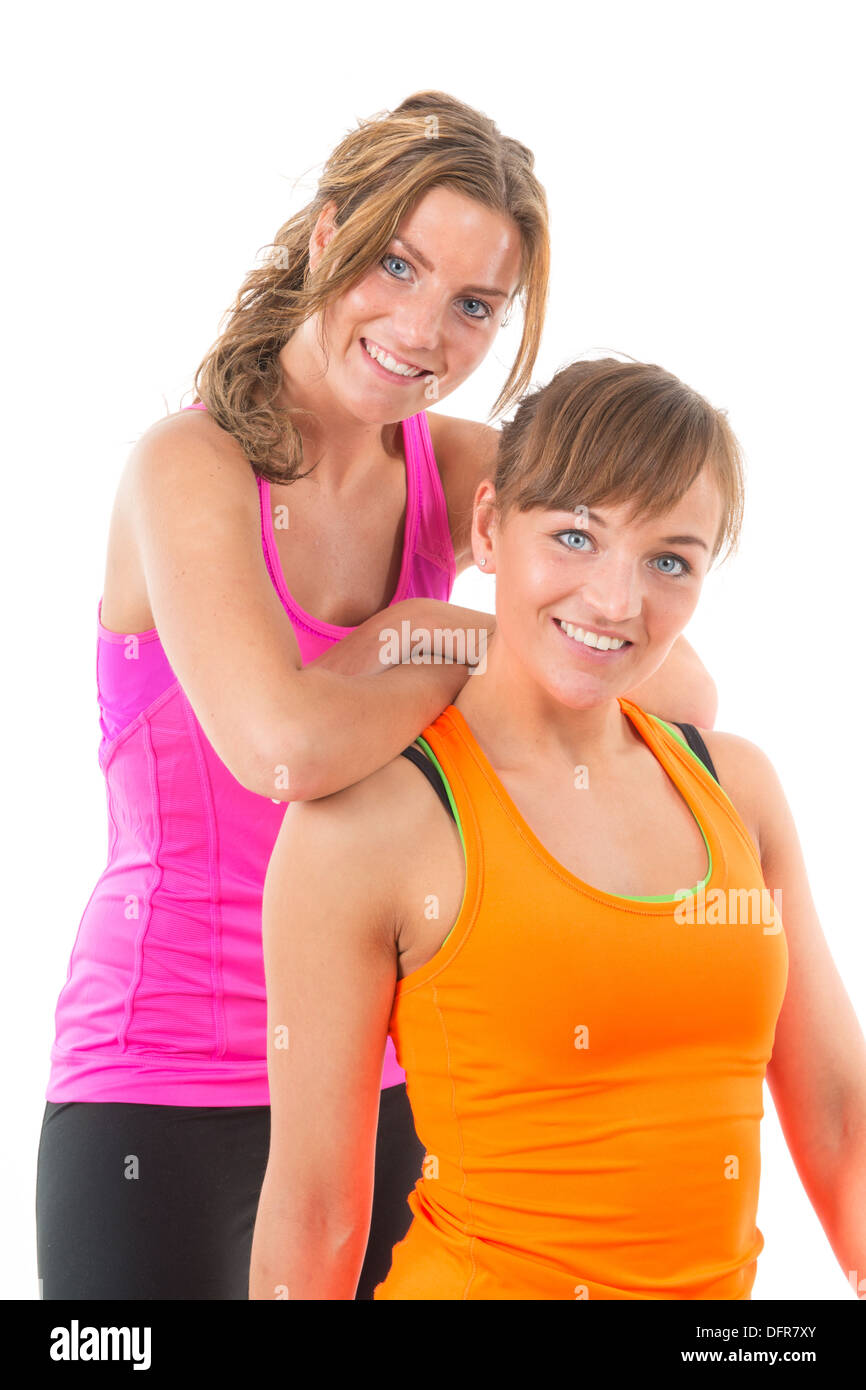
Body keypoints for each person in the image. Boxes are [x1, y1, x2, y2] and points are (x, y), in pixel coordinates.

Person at [35, 92, 714, 1301]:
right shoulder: (186, 467)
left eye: (471, 305)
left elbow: (676, 696)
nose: (420, 330)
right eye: (395, 264)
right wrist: (432, 633)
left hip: (382, 1080)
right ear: (326, 235)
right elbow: (280, 747)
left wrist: (435, 639)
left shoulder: (460, 470)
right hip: (154, 1082)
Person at [250, 355, 866, 1300]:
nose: (617, 602)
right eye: (577, 537)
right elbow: (318, 1214)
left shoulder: (735, 787)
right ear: (491, 527)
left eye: (670, 561)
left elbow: (835, 1119)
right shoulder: (368, 826)